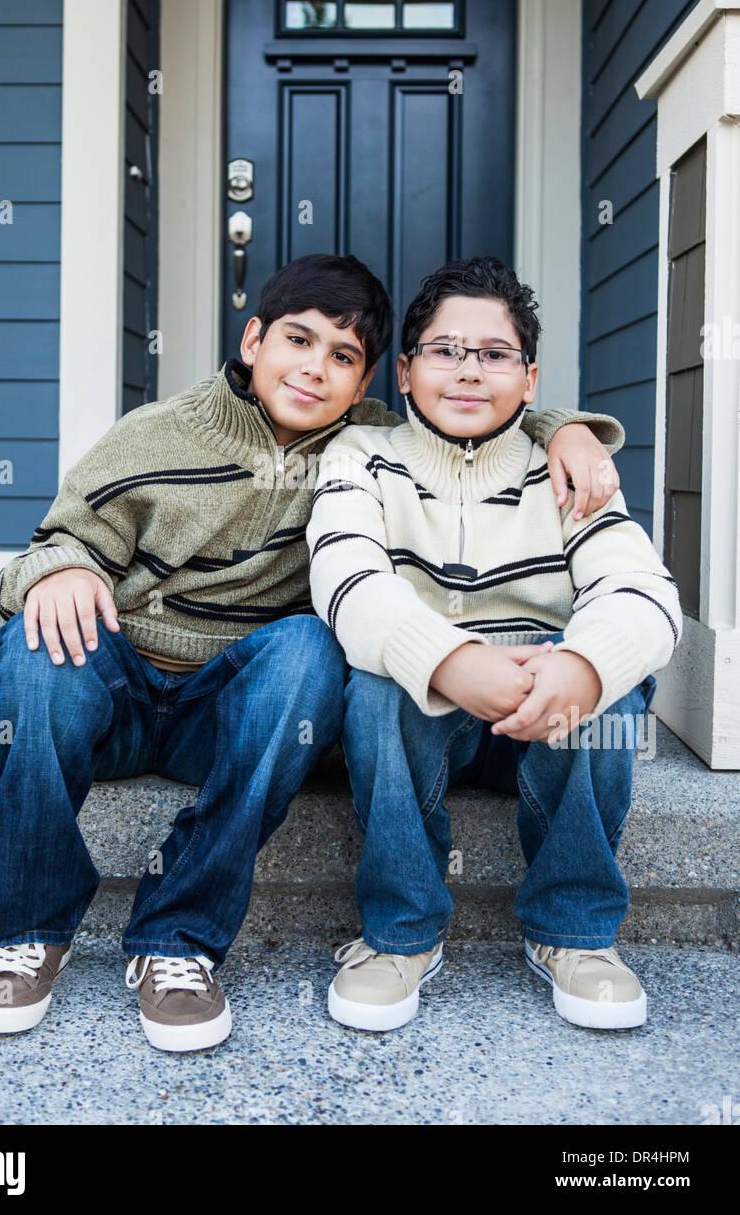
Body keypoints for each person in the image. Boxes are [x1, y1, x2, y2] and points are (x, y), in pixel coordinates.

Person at [0, 252, 624, 1051]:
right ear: (252, 341)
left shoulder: (362, 441)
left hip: (235, 706)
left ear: (373, 381)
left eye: (343, 358)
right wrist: (58, 568)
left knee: (311, 647)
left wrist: (569, 430)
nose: (314, 370)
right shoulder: (150, 437)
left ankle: (178, 939)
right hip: (119, 691)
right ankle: (23, 930)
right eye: (297, 341)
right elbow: (43, 548)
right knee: (32, 652)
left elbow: (476, 411)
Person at [307, 255, 681, 1033]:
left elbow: (643, 591)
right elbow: (346, 578)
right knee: (377, 679)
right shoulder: (360, 459)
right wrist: (449, 660)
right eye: (445, 351)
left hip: (539, 714)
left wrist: (581, 665)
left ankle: (573, 931)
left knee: (614, 681)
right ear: (404, 373)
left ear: (530, 380)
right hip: (420, 712)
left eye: (494, 354)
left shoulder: (567, 472)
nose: (469, 371)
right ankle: (400, 934)